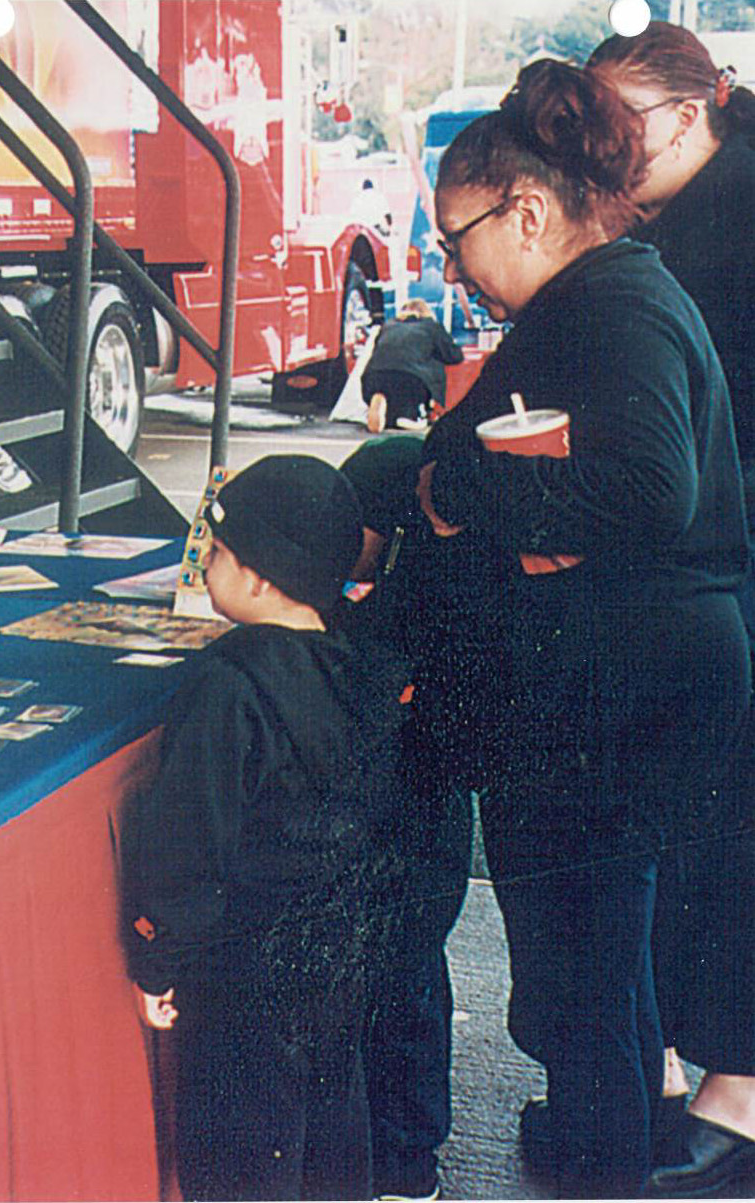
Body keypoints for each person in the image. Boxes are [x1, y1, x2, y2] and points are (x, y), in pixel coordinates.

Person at [418, 59, 750, 1197]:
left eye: (457, 240)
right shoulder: (604, 296)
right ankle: (614, 1141)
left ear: (524, 210)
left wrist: (466, 492)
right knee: (603, 952)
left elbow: (651, 489)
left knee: (587, 961)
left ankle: (603, 1162)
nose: (454, 270)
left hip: (622, 679)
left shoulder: (613, 305)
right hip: (633, 673)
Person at [120, 454, 411, 1201]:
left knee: (239, 1164)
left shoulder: (227, 686)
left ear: (257, 578)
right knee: (327, 1146)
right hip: (336, 964)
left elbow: (186, 846)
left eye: (217, 552)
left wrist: (157, 963)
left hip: (241, 983)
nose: (205, 564)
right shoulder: (362, 669)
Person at [587, 28, 755, 1195]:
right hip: (706, 555)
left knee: (730, 825)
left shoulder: (726, 222)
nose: (601, 146)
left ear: (692, 114)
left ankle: (738, 1089)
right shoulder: (682, 208)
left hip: (728, 557)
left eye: (622, 123)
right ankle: (691, 1072)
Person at [335, 435, 474, 1202]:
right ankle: (406, 1155)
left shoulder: (402, 606)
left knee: (401, 982)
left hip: (408, 818)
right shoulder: (439, 582)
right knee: (414, 974)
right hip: (430, 822)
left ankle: (404, 1163)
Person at [363, 299, 464, 434]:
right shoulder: (431, 326)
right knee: (410, 396)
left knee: (392, 392)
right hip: (410, 379)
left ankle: (383, 407)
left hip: (373, 377)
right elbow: (454, 356)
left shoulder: (388, 326)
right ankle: (411, 416)